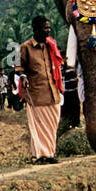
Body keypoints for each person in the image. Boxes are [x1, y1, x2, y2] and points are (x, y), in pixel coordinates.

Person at [16, 16, 63, 163]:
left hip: (52, 92)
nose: (48, 30)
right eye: (45, 28)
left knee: (52, 124)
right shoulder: (25, 47)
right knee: (38, 126)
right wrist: (23, 76)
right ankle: (40, 155)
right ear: (36, 30)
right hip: (35, 93)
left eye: (48, 27)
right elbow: (18, 67)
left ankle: (50, 153)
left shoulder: (51, 45)